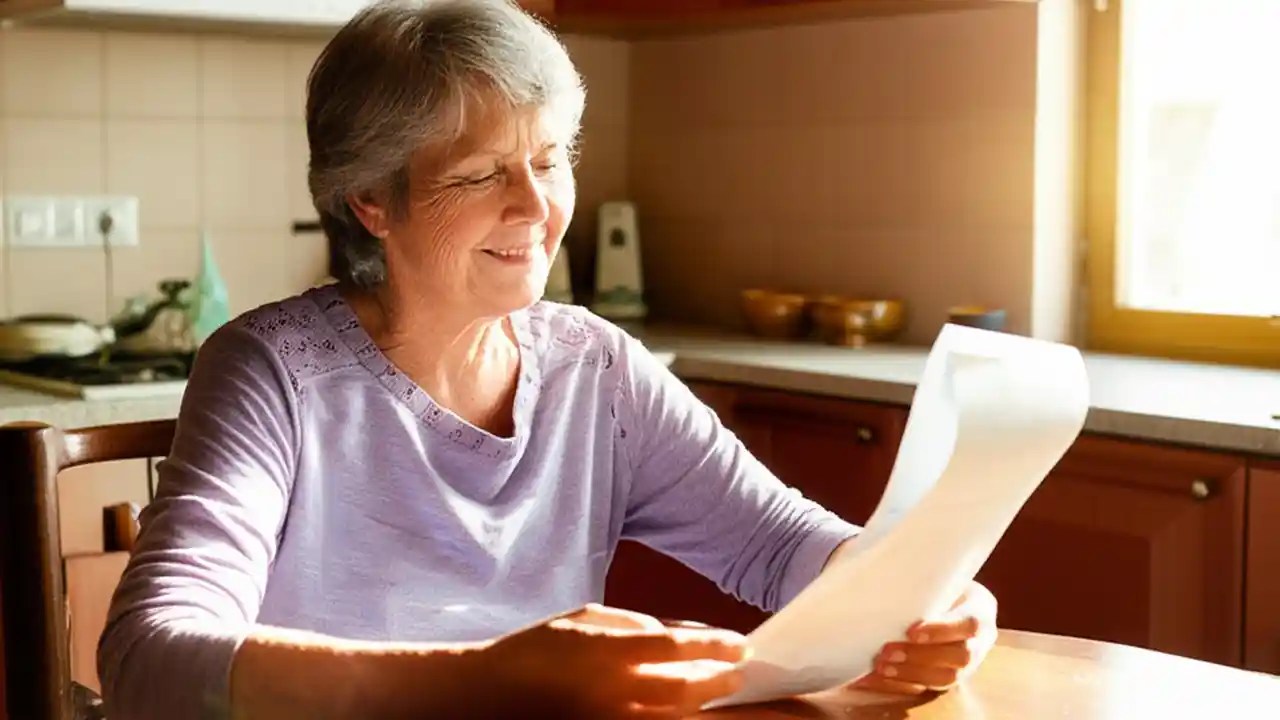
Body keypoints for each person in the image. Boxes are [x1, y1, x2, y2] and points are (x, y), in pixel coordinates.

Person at [98, 1, 998, 718]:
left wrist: (934, 599)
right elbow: (151, 657)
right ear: (373, 200)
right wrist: (489, 678)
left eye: (549, 158)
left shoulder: (595, 369)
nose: (536, 206)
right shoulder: (272, 373)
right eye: (481, 172)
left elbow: (783, 546)